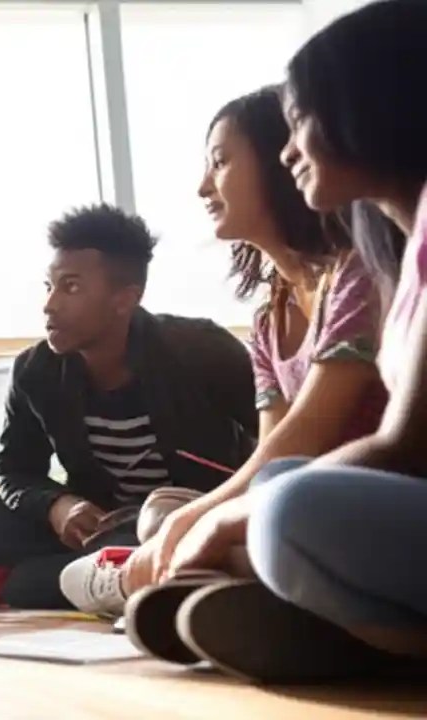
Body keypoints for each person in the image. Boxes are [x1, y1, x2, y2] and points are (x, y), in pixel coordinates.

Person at [153, 0, 427, 683]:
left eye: (301, 119)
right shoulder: (403, 251)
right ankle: (332, 623)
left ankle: (339, 630)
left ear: (370, 104)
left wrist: (229, 520)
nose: (288, 148)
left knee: (290, 504)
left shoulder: (368, 273)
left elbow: (405, 447)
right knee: (278, 487)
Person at [58, 85, 389, 617]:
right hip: (298, 495)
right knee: (165, 511)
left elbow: (307, 439)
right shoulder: (268, 317)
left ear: (282, 158)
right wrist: (193, 519)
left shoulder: (355, 275)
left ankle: (178, 578)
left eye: (220, 162)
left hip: (356, 496)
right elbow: (273, 450)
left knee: (280, 497)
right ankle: (208, 578)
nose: (202, 186)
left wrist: (205, 521)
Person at [0, 204, 257, 609]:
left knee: (151, 536)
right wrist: (59, 506)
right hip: (96, 527)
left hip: (185, 520)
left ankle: (14, 584)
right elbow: (14, 470)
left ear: (124, 299)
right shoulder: (36, 371)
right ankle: (105, 576)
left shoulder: (202, 350)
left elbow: (272, 446)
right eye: (49, 286)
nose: (50, 304)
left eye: (71, 287)